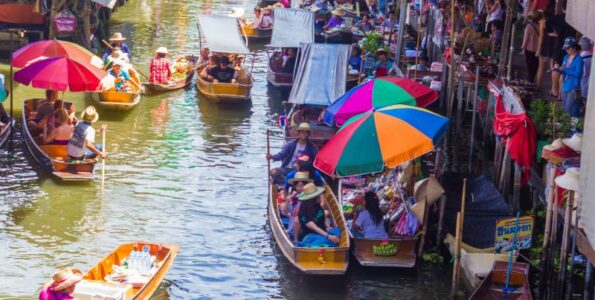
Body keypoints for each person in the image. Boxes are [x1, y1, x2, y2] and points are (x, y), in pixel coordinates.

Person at [556, 37, 583, 117]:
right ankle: (570, 127)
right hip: (565, 86)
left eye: (568, 48)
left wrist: (565, 70)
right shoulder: (566, 57)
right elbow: (563, 68)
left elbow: (578, 74)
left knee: (567, 111)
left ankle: (569, 127)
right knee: (566, 108)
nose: (566, 50)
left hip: (573, 88)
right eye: (566, 48)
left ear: (574, 48)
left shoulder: (579, 59)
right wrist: (558, 69)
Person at [281, 171, 312, 241]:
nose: (299, 188)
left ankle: (297, 239)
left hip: (307, 225)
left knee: (298, 219)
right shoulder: (293, 196)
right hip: (294, 227)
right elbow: (284, 213)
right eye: (298, 186)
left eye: (302, 186)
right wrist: (286, 202)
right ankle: (295, 239)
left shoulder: (311, 196)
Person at [521, 11, 541, 82]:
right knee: (536, 64)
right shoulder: (541, 27)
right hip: (538, 49)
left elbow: (525, 39)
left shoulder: (529, 27)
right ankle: (532, 77)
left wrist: (523, 48)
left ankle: (530, 78)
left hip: (529, 49)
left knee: (529, 64)